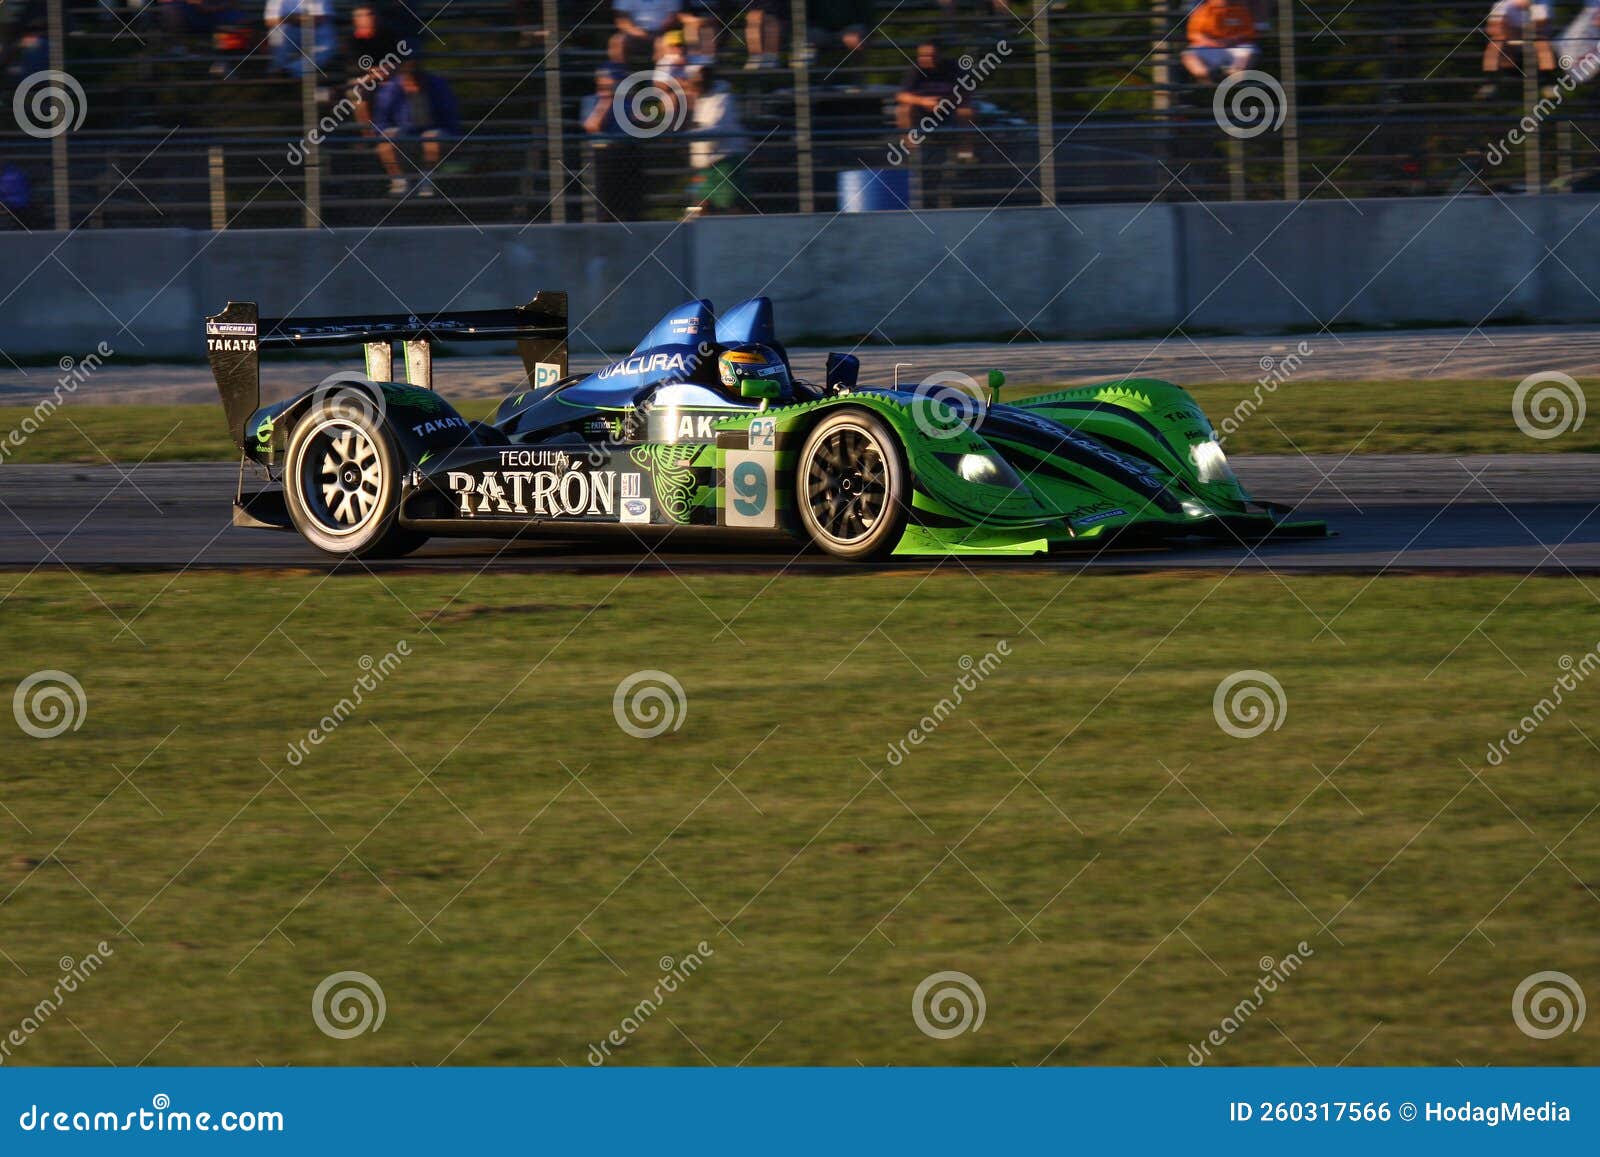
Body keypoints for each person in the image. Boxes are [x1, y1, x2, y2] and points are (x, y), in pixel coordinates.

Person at [372, 60, 460, 197]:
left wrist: (444, 131)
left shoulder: (437, 86)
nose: (413, 86)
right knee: (385, 141)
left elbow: (449, 117)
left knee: (432, 138)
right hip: (405, 134)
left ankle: (426, 181)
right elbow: (381, 122)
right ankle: (399, 182)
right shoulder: (390, 91)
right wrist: (392, 132)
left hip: (436, 131)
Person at [685, 64, 747, 214]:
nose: (693, 87)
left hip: (724, 162)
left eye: (697, 82)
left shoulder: (723, 98)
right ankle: (692, 230)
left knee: (730, 207)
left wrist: (688, 133)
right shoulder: (702, 98)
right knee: (697, 205)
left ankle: (745, 233)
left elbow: (719, 130)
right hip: (705, 166)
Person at [1480, 0, 1555, 97]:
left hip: (1532, 47)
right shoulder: (1502, 5)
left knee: (1542, 43)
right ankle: (1490, 83)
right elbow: (1493, 28)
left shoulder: (1540, 5)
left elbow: (1541, 27)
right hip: (1511, 48)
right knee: (1496, 42)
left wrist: (1511, 29)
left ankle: (1547, 84)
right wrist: (1514, 34)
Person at [895, 40, 973, 134]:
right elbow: (901, 96)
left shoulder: (952, 67)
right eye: (923, 56)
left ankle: (964, 148)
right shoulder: (915, 69)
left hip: (950, 107)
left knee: (966, 110)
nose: (927, 59)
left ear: (940, 55)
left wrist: (944, 101)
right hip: (921, 109)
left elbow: (966, 92)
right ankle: (910, 147)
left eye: (931, 55)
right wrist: (923, 101)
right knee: (903, 110)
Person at [1181, 0, 1259, 84]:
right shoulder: (1203, 10)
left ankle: (1234, 74)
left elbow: (1249, 32)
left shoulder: (1241, 10)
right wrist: (1213, 42)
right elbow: (1194, 34)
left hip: (1236, 47)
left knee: (1249, 51)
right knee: (1190, 54)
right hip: (1209, 47)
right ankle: (1205, 74)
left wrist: (1233, 40)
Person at [262, 0, 337, 77]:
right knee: (277, 32)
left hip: (315, 32)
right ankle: (278, 69)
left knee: (327, 45)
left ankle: (288, 71)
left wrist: (292, 18)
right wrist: (292, 19)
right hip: (290, 32)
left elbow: (319, 19)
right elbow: (270, 21)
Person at [610, 0, 683, 68]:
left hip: (662, 32)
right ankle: (619, 76)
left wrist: (658, 31)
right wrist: (639, 33)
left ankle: (660, 77)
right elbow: (621, 21)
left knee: (662, 43)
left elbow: (673, 17)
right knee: (617, 41)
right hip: (633, 32)